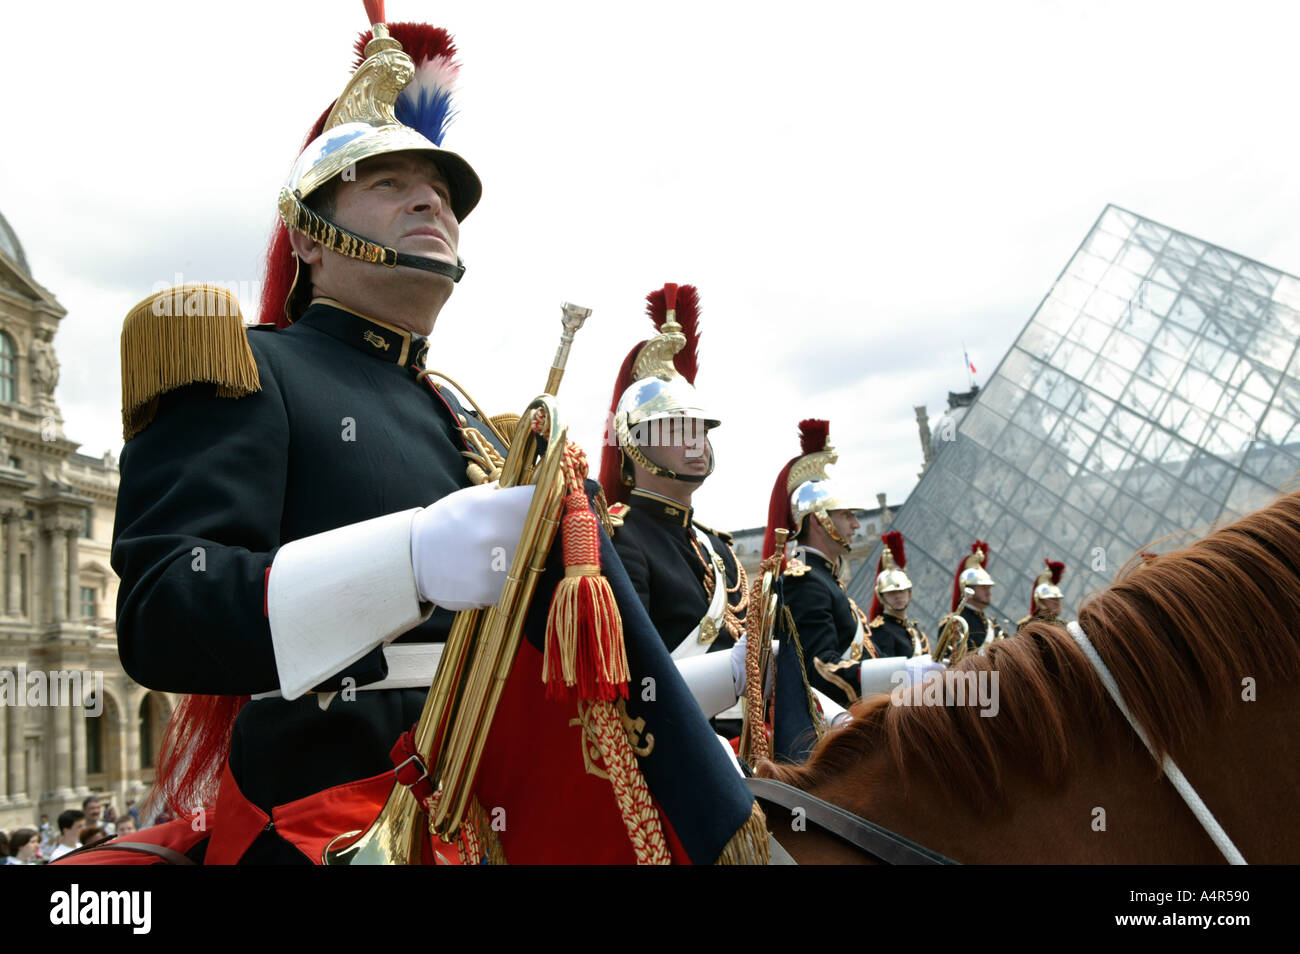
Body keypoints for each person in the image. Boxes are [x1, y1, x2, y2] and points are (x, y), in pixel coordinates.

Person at [104, 9, 762, 866]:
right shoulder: (243, 368)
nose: (432, 199)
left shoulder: (469, 420)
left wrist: (680, 702)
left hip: (501, 808)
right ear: (308, 234)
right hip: (333, 819)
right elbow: (162, 614)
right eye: (387, 182)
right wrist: (405, 561)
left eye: (444, 193)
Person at [598, 283, 748, 733]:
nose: (696, 442)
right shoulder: (621, 540)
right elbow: (632, 682)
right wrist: (736, 676)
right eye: (677, 429)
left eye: (700, 429)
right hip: (681, 748)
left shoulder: (715, 546)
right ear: (633, 442)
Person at [936, 541, 1009, 658]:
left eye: (989, 587)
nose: (988, 591)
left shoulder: (993, 624)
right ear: (968, 589)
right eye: (983, 587)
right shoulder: (954, 624)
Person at [865, 531, 930, 658]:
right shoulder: (880, 631)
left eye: (902, 591)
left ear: (909, 593)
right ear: (881, 596)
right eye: (891, 593)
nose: (898, 596)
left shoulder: (914, 630)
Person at [1017, 559, 1067, 635]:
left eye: (1058, 598)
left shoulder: (1064, 626)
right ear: (1040, 600)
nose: (1057, 602)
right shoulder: (1028, 626)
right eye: (1051, 598)